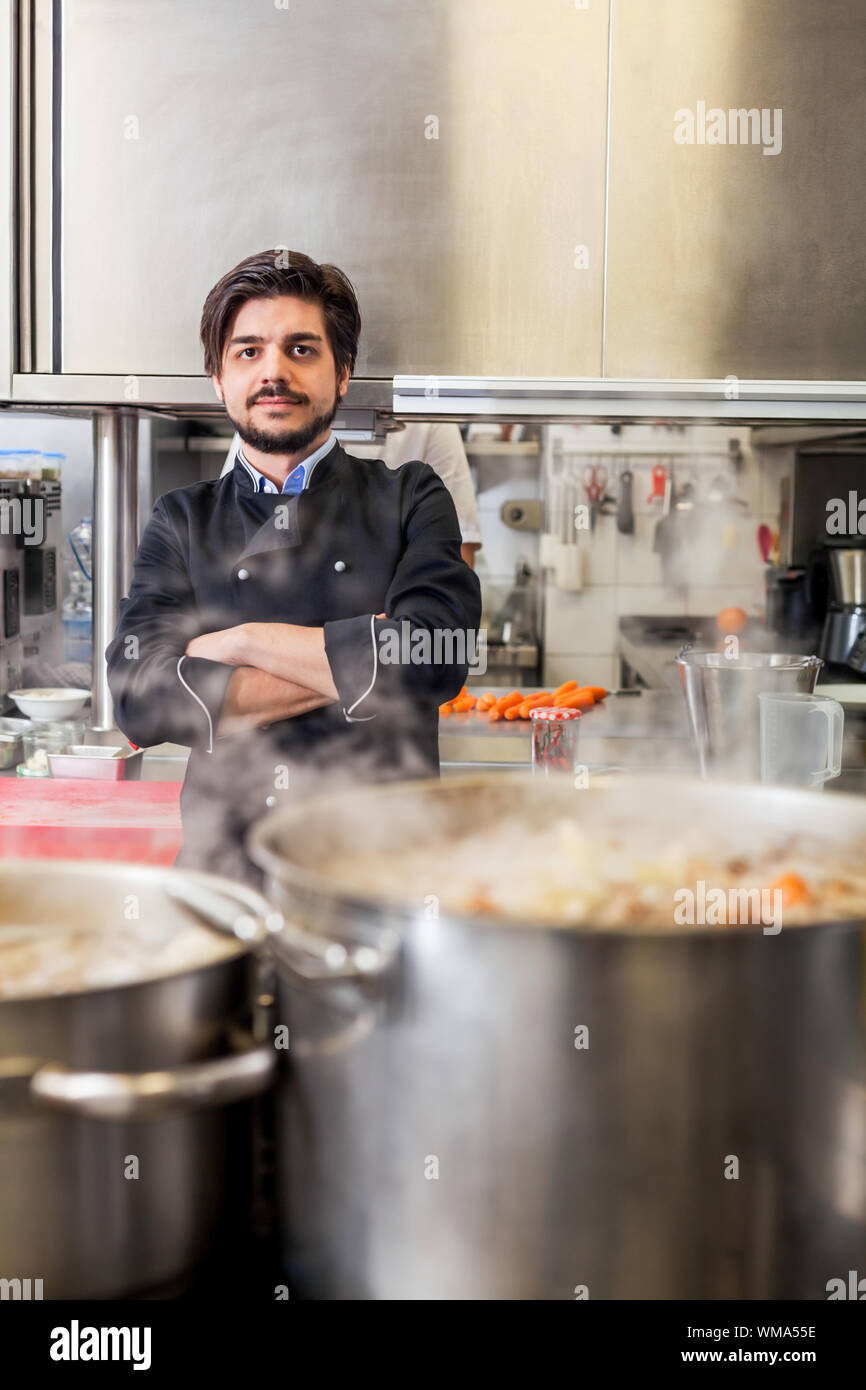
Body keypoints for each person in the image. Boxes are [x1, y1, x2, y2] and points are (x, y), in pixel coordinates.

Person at [106, 249, 481, 885]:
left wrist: (241, 642)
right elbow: (137, 696)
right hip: (228, 873)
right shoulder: (181, 518)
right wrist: (369, 659)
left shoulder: (410, 495)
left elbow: (435, 655)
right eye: (248, 351)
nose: (273, 371)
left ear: (343, 373)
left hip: (387, 875)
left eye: (301, 349)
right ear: (218, 378)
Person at [220, 420, 483, 568]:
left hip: (389, 621)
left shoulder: (429, 419)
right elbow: (232, 529)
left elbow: (457, 552)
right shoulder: (265, 420)